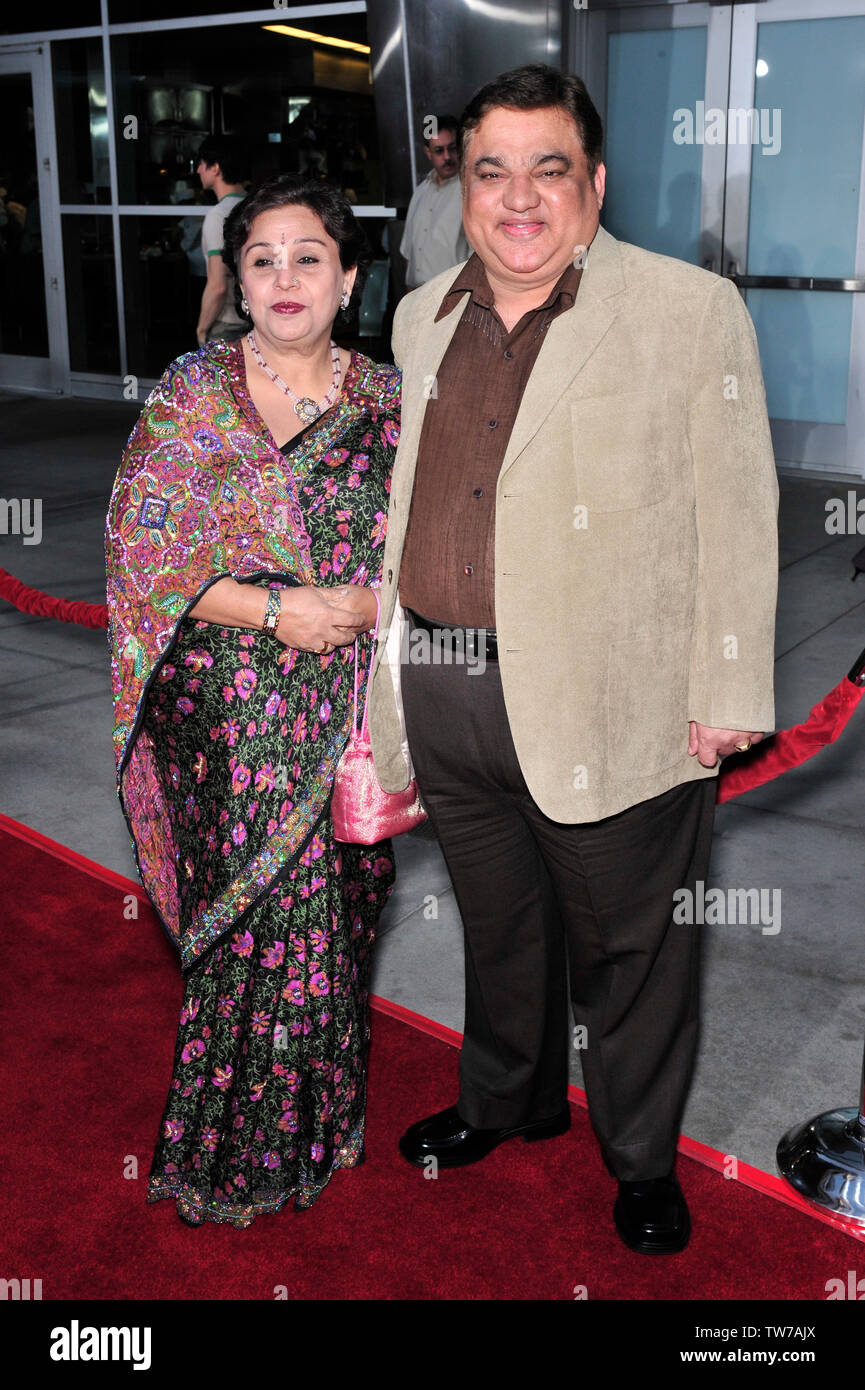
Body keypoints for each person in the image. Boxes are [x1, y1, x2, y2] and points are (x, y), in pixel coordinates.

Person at [367, 65, 779, 1254]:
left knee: (629, 953)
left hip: (612, 695)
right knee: (497, 928)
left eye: (550, 169)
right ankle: (508, 1100)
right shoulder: (418, 313)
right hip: (446, 685)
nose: (520, 197)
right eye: (492, 169)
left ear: (594, 183)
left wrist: (726, 689)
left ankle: (642, 1160)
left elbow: (738, 511)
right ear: (461, 184)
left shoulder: (688, 310)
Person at [106, 175, 400, 1227]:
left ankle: (319, 1120)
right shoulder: (194, 391)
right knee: (258, 923)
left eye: (308, 255)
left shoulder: (391, 403)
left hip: (352, 711)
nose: (284, 278)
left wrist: (362, 603)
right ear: (238, 276)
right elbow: (142, 558)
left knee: (339, 913)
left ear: (350, 275)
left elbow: (429, 552)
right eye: (261, 258)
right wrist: (278, 616)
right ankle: (232, 1154)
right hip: (222, 710)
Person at [400, 115, 469, 291]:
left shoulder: (471, 191)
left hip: (453, 299)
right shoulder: (421, 192)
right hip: (416, 300)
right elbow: (409, 253)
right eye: (439, 150)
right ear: (428, 152)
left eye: (452, 148)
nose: (447, 156)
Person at [194, 137, 249, 345]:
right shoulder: (258, 208)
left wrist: (201, 329)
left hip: (227, 324)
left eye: (202, 164)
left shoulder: (219, 216)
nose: (198, 170)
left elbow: (218, 285)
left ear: (215, 168)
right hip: (256, 321)